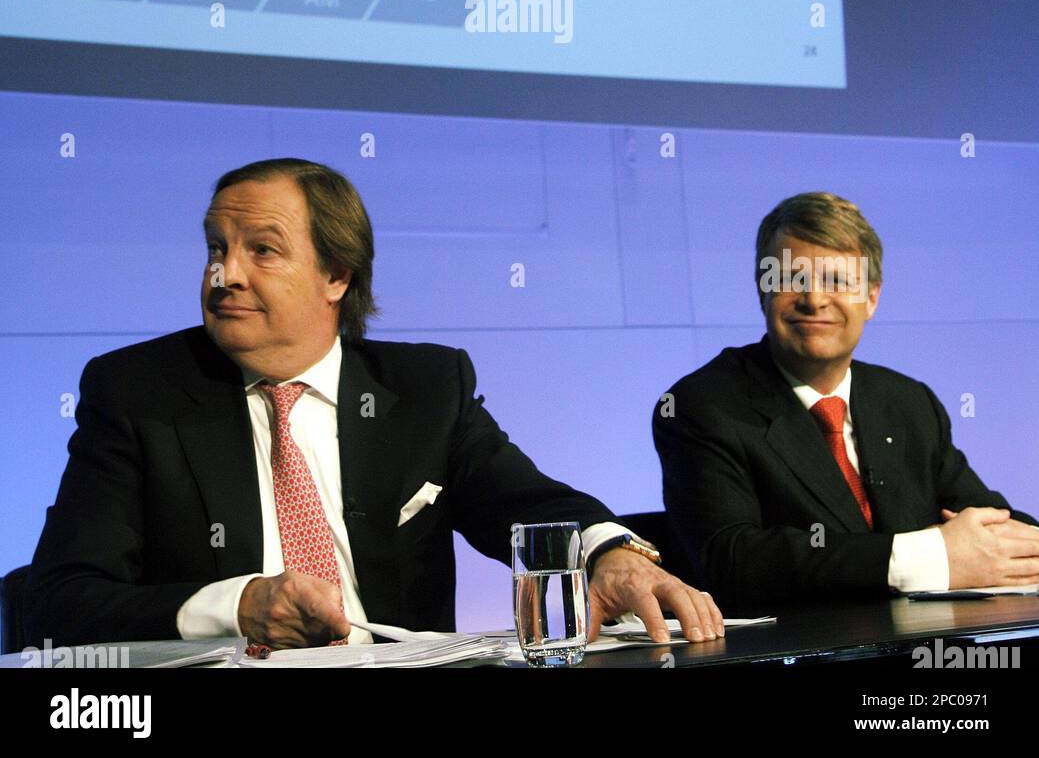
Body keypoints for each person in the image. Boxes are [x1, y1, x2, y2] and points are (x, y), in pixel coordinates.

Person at [26, 157, 722, 650]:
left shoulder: (423, 389)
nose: (222, 274)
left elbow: (526, 504)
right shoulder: (136, 392)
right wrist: (236, 607)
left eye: (260, 250)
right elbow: (60, 598)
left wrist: (610, 555)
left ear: (336, 275)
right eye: (216, 247)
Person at [653, 191, 1039, 615]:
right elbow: (733, 562)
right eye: (792, 279)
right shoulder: (702, 406)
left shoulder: (908, 402)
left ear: (872, 298)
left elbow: (987, 520)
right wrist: (927, 556)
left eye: (837, 281)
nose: (814, 300)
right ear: (762, 290)